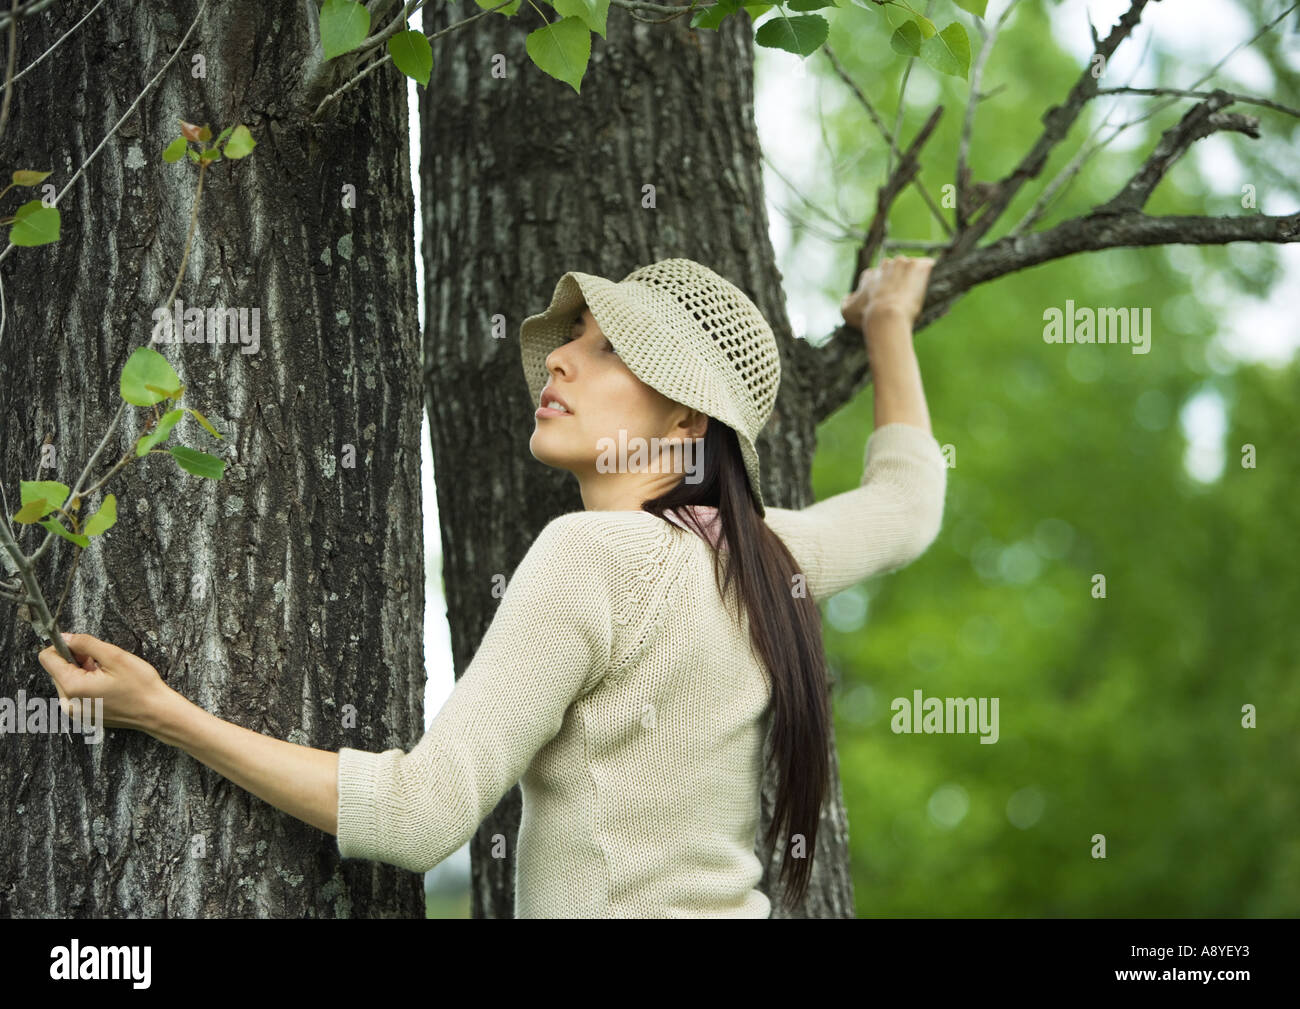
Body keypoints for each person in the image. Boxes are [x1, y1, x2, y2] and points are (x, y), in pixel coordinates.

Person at [38, 255, 946, 918]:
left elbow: (417, 816)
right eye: (571, 341)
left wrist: (163, 712)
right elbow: (909, 503)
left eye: (607, 350)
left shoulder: (594, 554)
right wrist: (887, 323)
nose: (559, 361)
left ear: (682, 416)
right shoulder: (764, 558)